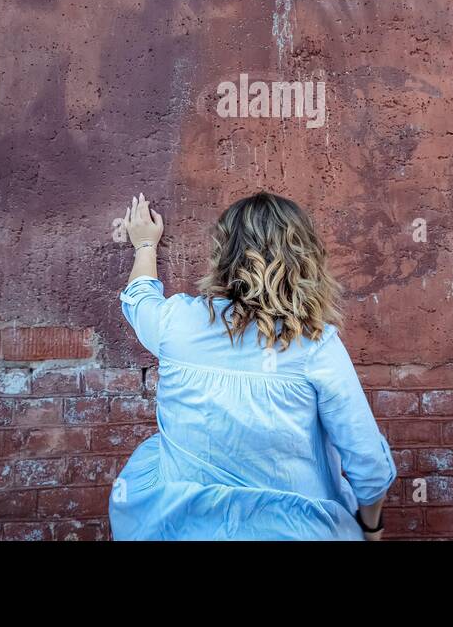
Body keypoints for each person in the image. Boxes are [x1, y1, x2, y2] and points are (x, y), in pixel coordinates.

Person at [109, 191, 397, 540]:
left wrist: (144, 246)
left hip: (180, 527)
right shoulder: (315, 347)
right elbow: (368, 465)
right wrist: (371, 528)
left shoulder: (177, 325)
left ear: (222, 254)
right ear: (304, 258)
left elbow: (140, 300)